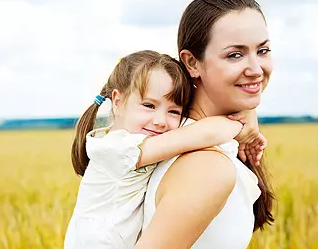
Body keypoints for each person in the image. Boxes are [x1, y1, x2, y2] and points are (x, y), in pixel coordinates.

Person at [64, 50, 266, 248]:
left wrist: (248, 109)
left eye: (173, 111)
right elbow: (204, 132)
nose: (160, 121)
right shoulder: (119, 148)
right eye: (149, 106)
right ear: (117, 101)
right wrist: (243, 127)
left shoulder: (134, 142)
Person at [137, 0, 275, 249]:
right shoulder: (208, 166)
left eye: (263, 50)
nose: (256, 69)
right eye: (235, 54)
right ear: (191, 63)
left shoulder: (180, 139)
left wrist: (243, 119)